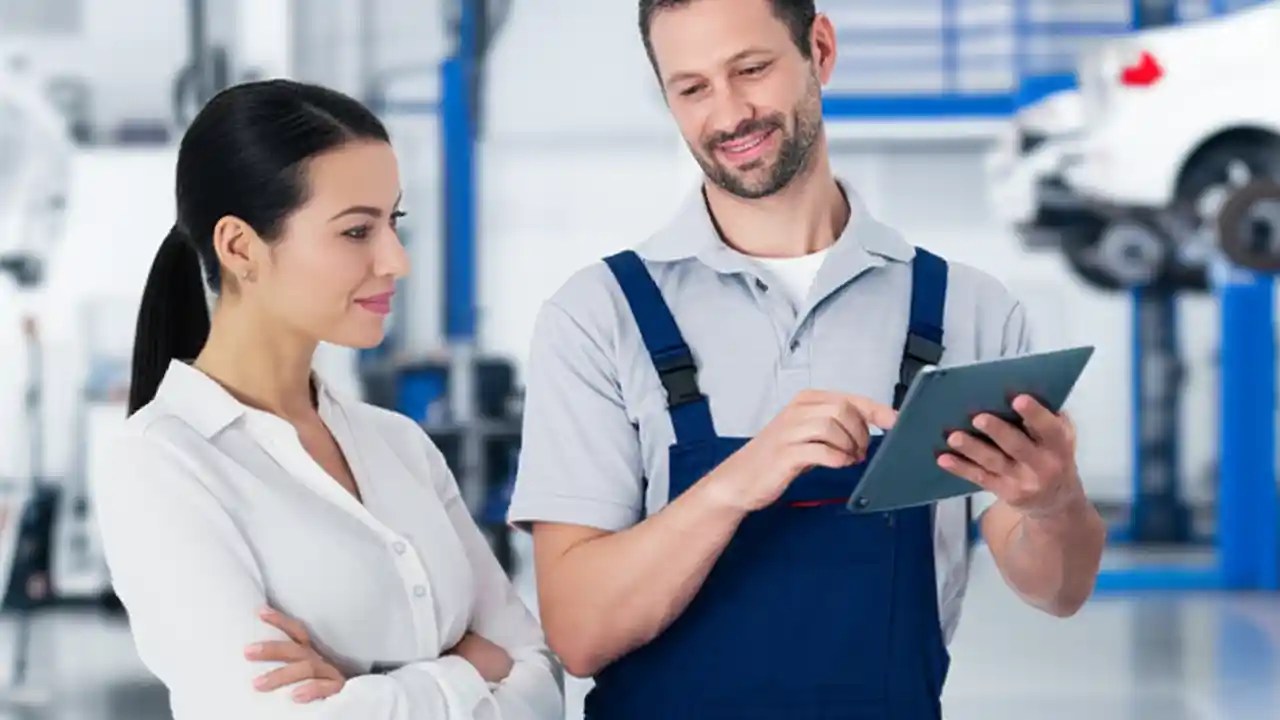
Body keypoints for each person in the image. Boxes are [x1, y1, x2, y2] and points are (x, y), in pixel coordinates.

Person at [507, 1, 1107, 718]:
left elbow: (1058, 590)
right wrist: (738, 483)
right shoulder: (597, 317)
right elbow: (578, 632)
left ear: (819, 49)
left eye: (752, 69)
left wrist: (1054, 501)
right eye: (692, 88)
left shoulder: (968, 311)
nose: (729, 114)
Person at [93, 79, 563, 720]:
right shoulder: (159, 465)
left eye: (392, 222)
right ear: (239, 247)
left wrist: (357, 684)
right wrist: (470, 668)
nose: (395, 259)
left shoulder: (401, 445)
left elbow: (540, 678)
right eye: (355, 231)